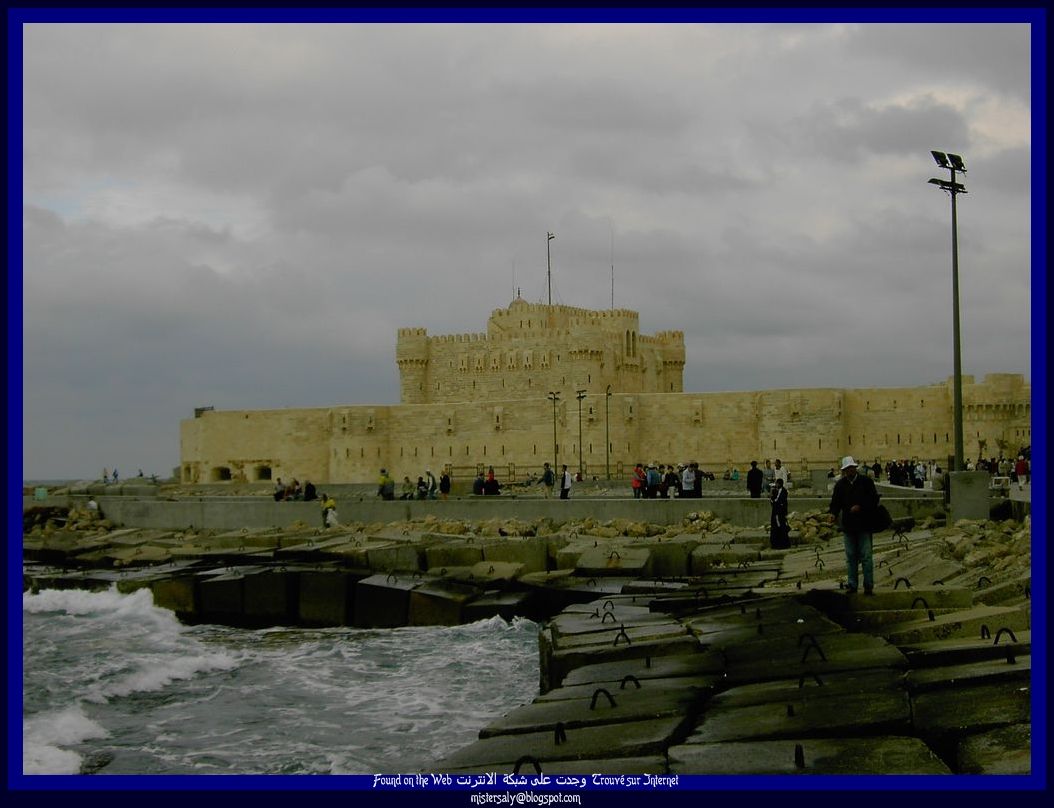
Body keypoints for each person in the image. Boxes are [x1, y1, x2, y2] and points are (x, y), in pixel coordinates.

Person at [828, 456, 880, 595]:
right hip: (849, 526)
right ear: (844, 470)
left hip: (864, 525)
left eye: (851, 468)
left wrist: (860, 507)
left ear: (855, 468)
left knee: (866, 556)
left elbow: (874, 500)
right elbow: (835, 503)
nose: (850, 471)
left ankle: (868, 586)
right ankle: (852, 585)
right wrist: (833, 513)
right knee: (850, 557)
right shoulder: (840, 485)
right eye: (847, 469)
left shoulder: (866, 482)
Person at [769, 478, 789, 549]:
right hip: (777, 512)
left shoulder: (783, 491)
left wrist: (772, 500)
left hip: (779, 513)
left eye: (777, 483)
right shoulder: (778, 491)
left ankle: (782, 544)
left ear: (779, 484)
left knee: (780, 527)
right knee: (777, 527)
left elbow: (778, 501)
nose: (776, 485)